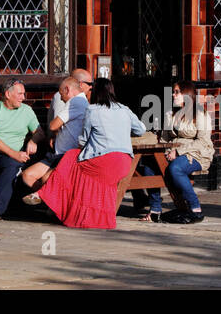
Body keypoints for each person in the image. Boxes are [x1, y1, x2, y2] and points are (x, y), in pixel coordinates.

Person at [26, 78, 145, 230]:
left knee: (70, 156)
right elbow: (140, 129)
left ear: (95, 93)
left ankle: (47, 193)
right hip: (124, 162)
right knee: (75, 163)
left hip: (104, 161)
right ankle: (47, 193)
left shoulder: (92, 110)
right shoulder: (125, 109)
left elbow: (83, 140)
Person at [133, 82, 215, 223]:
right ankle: (155, 210)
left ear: (187, 94)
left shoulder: (200, 114)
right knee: (150, 165)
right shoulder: (171, 113)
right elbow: (165, 139)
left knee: (176, 168)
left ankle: (195, 208)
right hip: (174, 151)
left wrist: (178, 152)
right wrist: (161, 149)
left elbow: (203, 141)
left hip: (198, 153)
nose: (173, 94)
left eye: (177, 92)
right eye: (174, 92)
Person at [0, 78, 45, 218]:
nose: (23, 97)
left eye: (24, 94)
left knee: (9, 172)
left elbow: (40, 132)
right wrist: (14, 154)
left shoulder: (26, 111)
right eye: (20, 94)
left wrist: (33, 141)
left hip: (13, 155)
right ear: (8, 94)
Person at [21, 75, 87, 191]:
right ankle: (47, 199)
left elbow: (53, 125)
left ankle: (49, 200)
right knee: (27, 175)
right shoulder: (80, 101)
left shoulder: (76, 101)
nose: (61, 99)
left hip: (65, 156)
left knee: (47, 180)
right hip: (56, 154)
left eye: (62, 95)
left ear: (67, 89)